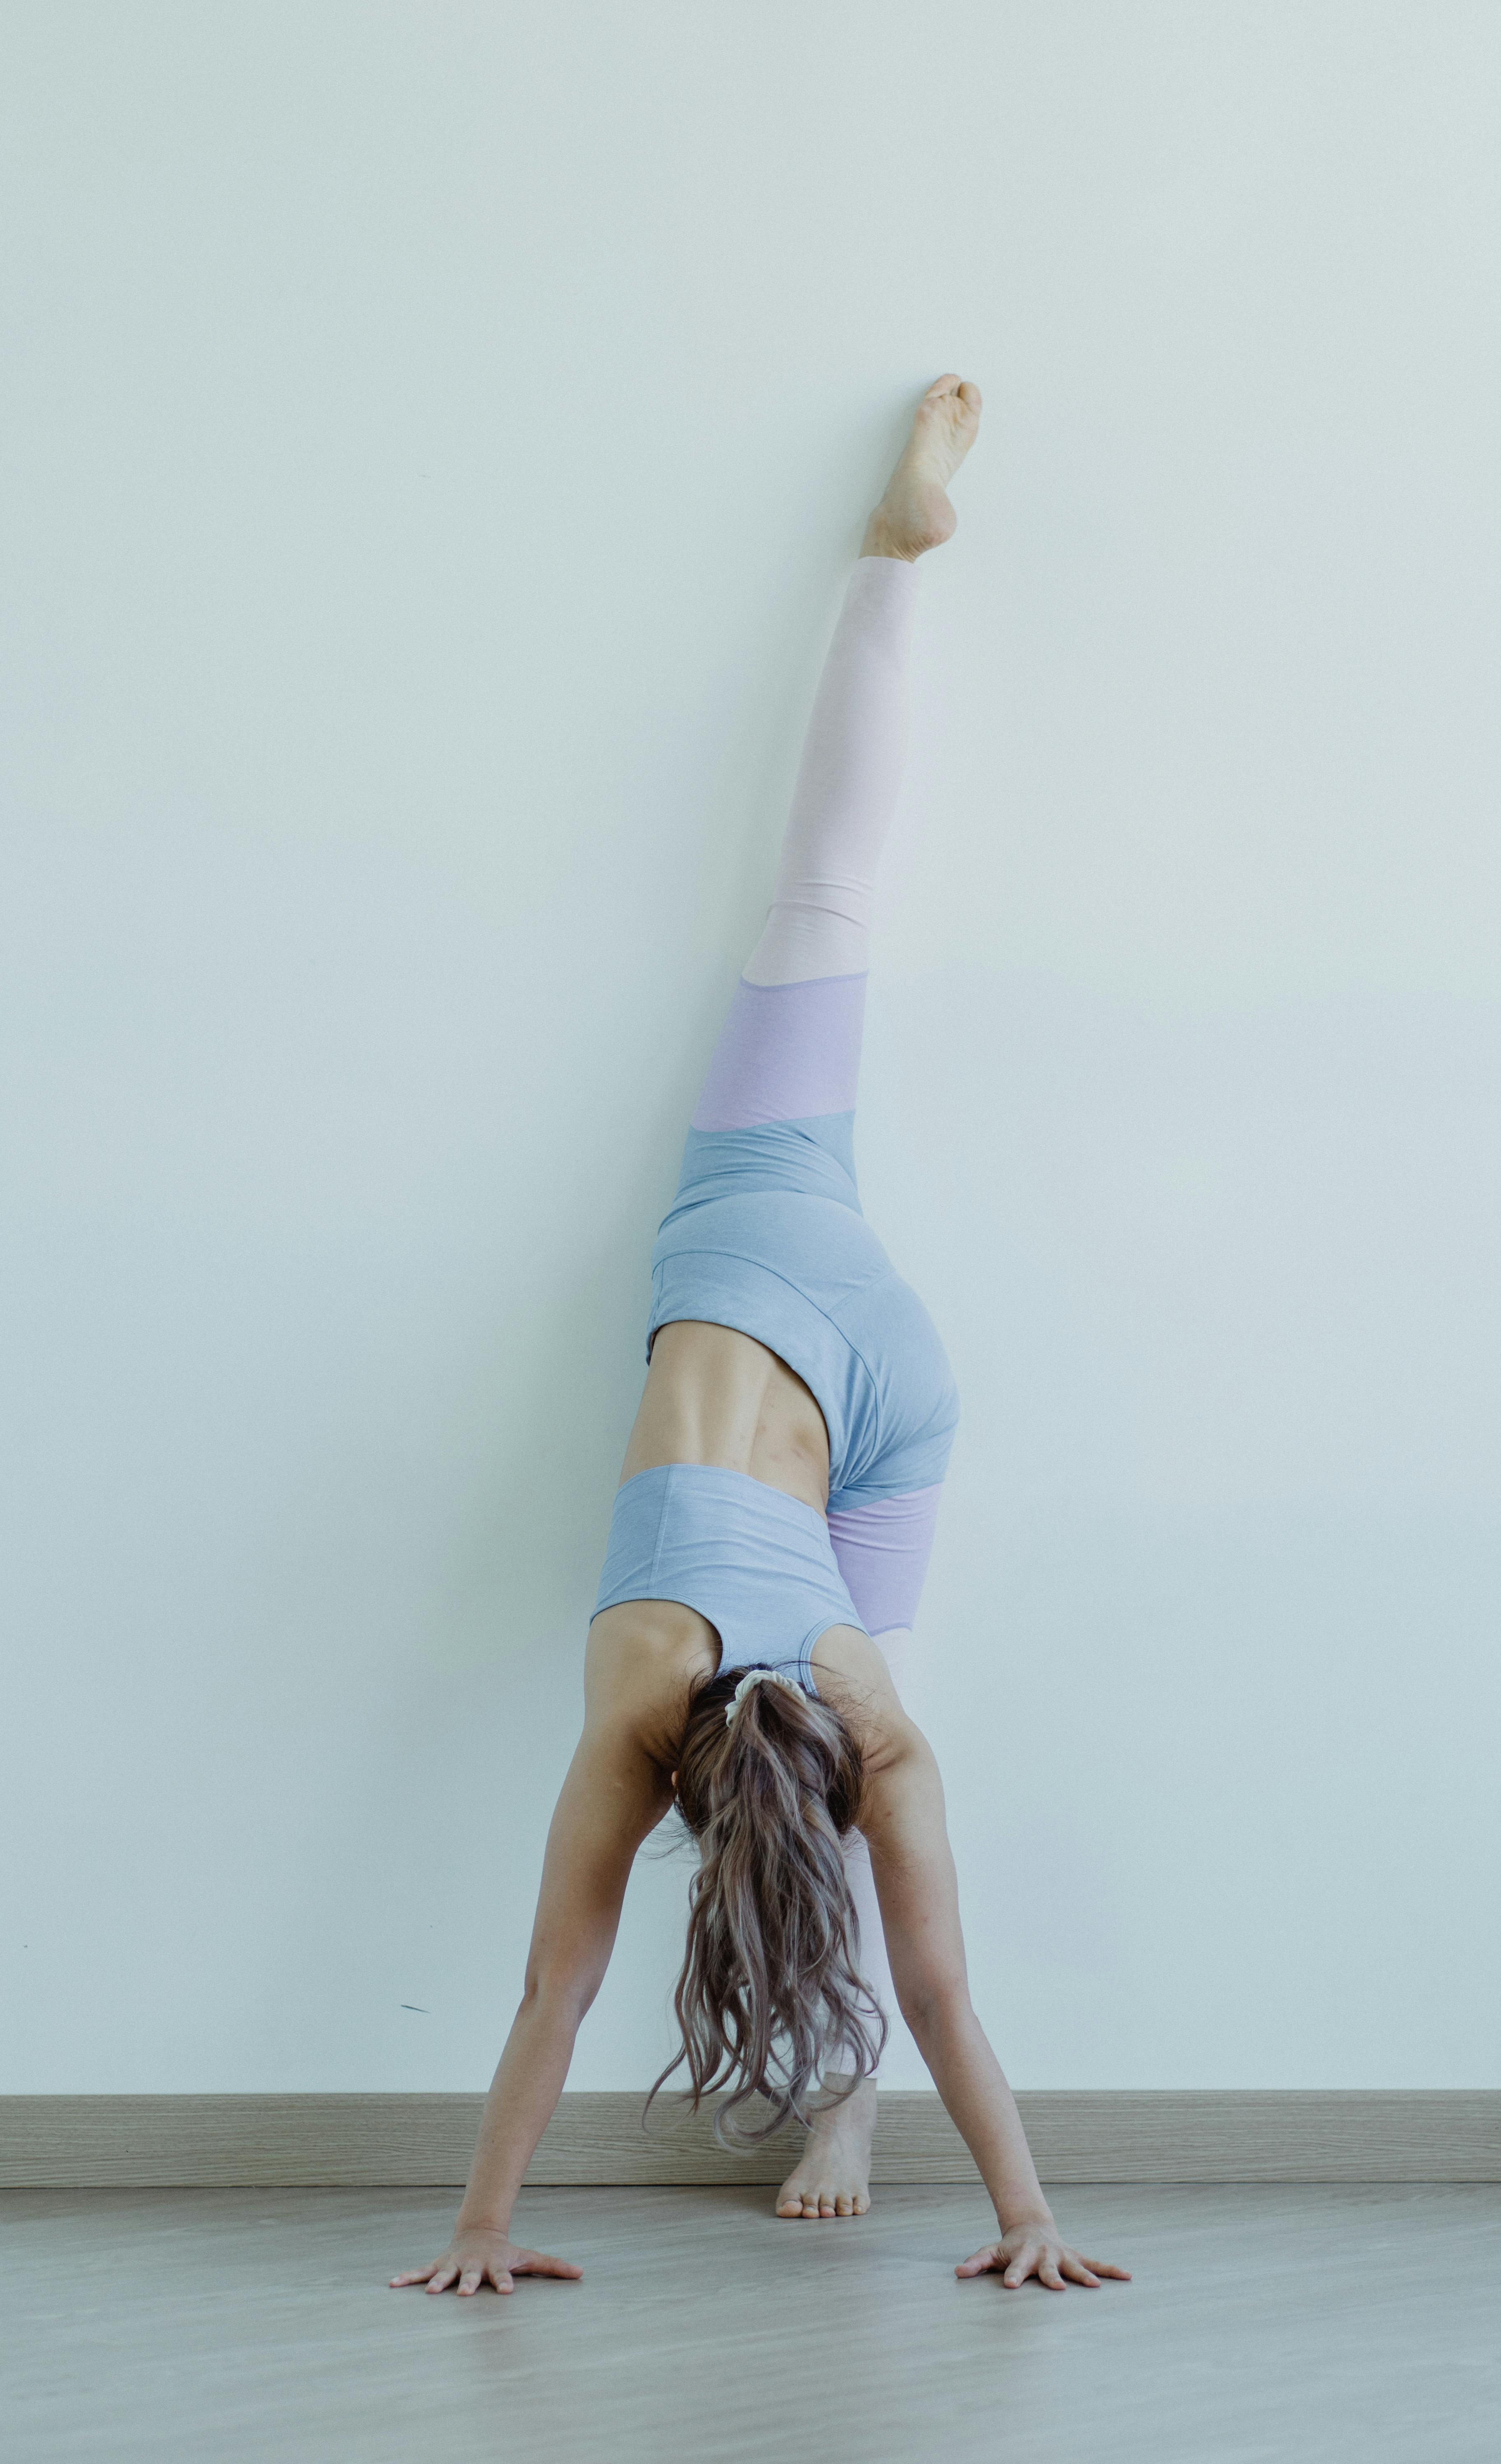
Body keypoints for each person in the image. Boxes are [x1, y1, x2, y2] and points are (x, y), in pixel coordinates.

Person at [391, 378, 1129, 2299]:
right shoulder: (641, 1698)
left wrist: (488, 2234)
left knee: (895, 1693)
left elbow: (584, 1997)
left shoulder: (863, 1729)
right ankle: (895, 565)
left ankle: (840, 2109)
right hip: (760, 1250)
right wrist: (1031, 2225)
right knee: (826, 893)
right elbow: (555, 1993)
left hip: (893, 1395)